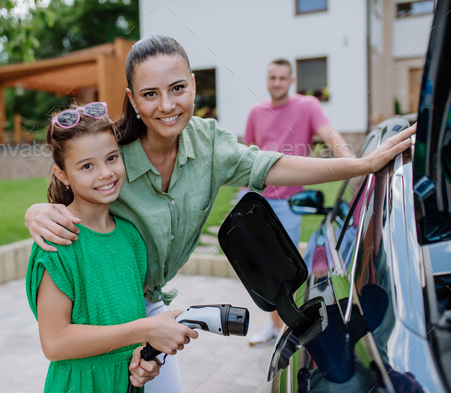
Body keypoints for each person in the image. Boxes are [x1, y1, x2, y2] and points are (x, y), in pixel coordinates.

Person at [24, 36, 415, 392]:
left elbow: (275, 165)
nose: (166, 105)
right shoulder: (114, 152)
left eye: (177, 88)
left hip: (146, 309)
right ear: (132, 98)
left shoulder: (210, 145)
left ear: (193, 84)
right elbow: (77, 170)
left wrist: (359, 166)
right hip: (104, 312)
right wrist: (36, 211)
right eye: (149, 94)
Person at [25, 103, 196, 393]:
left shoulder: (130, 237)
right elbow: (54, 343)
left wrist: (146, 358)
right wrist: (146, 329)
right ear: (62, 173)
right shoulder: (58, 241)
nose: (105, 173)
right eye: (87, 166)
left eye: (112, 158)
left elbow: (127, 330)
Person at [242, 58, 353, 347]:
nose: (277, 82)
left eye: (282, 78)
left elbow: (331, 137)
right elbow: (247, 157)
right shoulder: (256, 112)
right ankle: (273, 326)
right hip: (258, 203)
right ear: (267, 80)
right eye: (272, 77)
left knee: (285, 274)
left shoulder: (307, 106)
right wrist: (243, 197)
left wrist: (354, 163)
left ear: (291, 80)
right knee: (264, 272)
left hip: (290, 204)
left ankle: (284, 330)